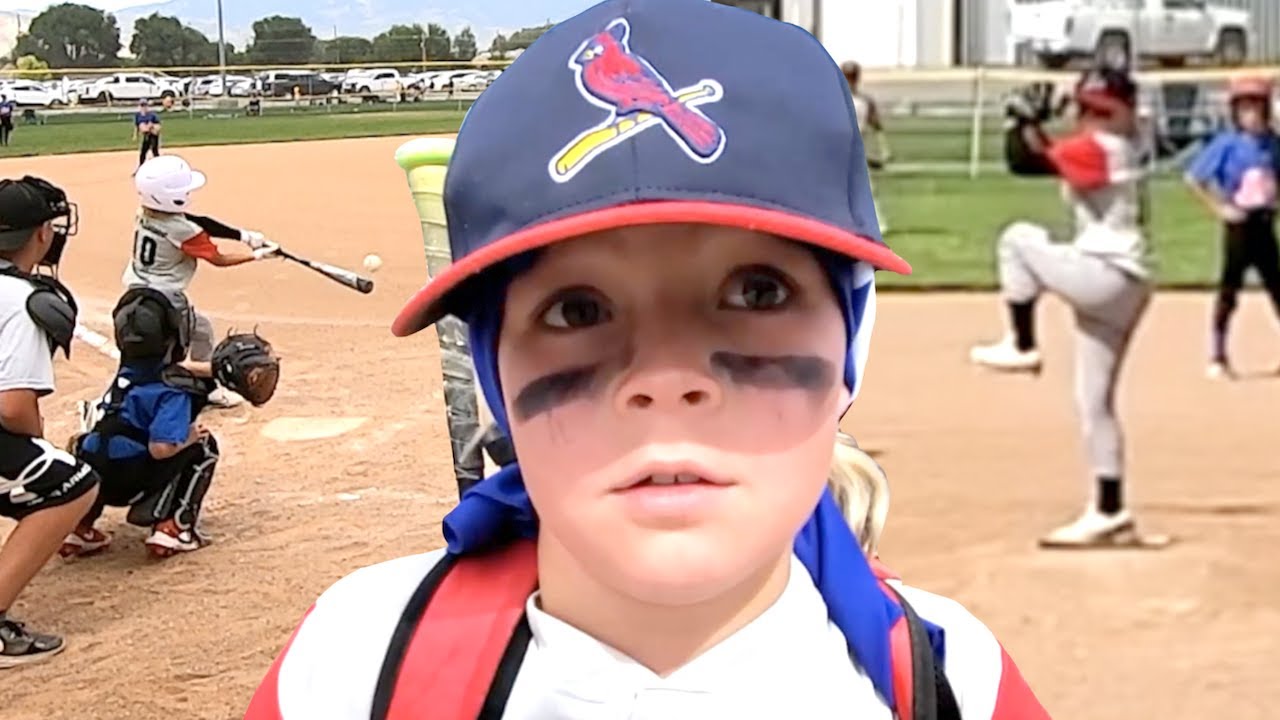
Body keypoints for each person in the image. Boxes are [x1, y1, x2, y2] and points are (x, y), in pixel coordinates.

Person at [245, 2, 1050, 717]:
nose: (667, 378)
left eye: (758, 292)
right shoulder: (354, 669)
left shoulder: (955, 684)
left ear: (851, 342)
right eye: (577, 310)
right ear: (496, 372)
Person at [970, 67, 1156, 548]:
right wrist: (1034, 122)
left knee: (1018, 240)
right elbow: (1050, 152)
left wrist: (1019, 120)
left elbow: (1025, 161)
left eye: (1101, 108)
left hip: (1105, 275)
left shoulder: (1101, 147)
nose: (1091, 116)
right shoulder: (1128, 138)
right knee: (1093, 403)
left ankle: (1022, 342)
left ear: (1122, 109)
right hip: (1124, 281)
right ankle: (1110, 511)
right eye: (1087, 107)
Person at [0, 176, 102, 667]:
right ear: (41, 235)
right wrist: (37, 444)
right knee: (71, 481)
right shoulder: (23, 301)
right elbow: (15, 409)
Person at [64, 289, 221, 558]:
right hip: (131, 478)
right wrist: (190, 437)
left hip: (94, 478)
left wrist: (214, 370)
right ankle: (173, 529)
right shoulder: (173, 390)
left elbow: (169, 370)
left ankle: (79, 526)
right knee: (204, 444)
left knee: (83, 443)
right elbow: (160, 448)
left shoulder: (125, 373)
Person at [125, 154, 281, 408]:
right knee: (176, 344)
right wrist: (257, 255)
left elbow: (197, 221)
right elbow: (218, 258)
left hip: (136, 288)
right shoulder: (183, 232)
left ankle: (195, 386)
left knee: (195, 331)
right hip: (166, 299)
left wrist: (244, 235)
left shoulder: (145, 213)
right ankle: (197, 388)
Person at [1184, 75, 1280, 380]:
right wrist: (1218, 208)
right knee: (1229, 290)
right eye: (1243, 109)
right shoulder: (1227, 143)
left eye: (1255, 108)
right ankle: (1218, 355)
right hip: (1239, 226)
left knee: (1277, 287)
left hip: (1264, 224)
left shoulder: (1274, 144)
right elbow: (1193, 178)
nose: (1250, 115)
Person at [842, 60, 892, 235]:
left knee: (865, 188)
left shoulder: (865, 101)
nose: (850, 80)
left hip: (855, 148)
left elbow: (875, 124)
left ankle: (876, 222)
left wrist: (883, 149)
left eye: (852, 77)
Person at [133, 100, 162, 169]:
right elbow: (136, 126)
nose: (143, 107)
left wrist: (151, 126)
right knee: (143, 151)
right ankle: (140, 167)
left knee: (154, 151)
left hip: (153, 135)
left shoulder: (152, 115)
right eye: (142, 105)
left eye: (145, 105)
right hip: (146, 135)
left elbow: (158, 126)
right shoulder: (138, 115)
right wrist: (135, 135)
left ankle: (160, 167)